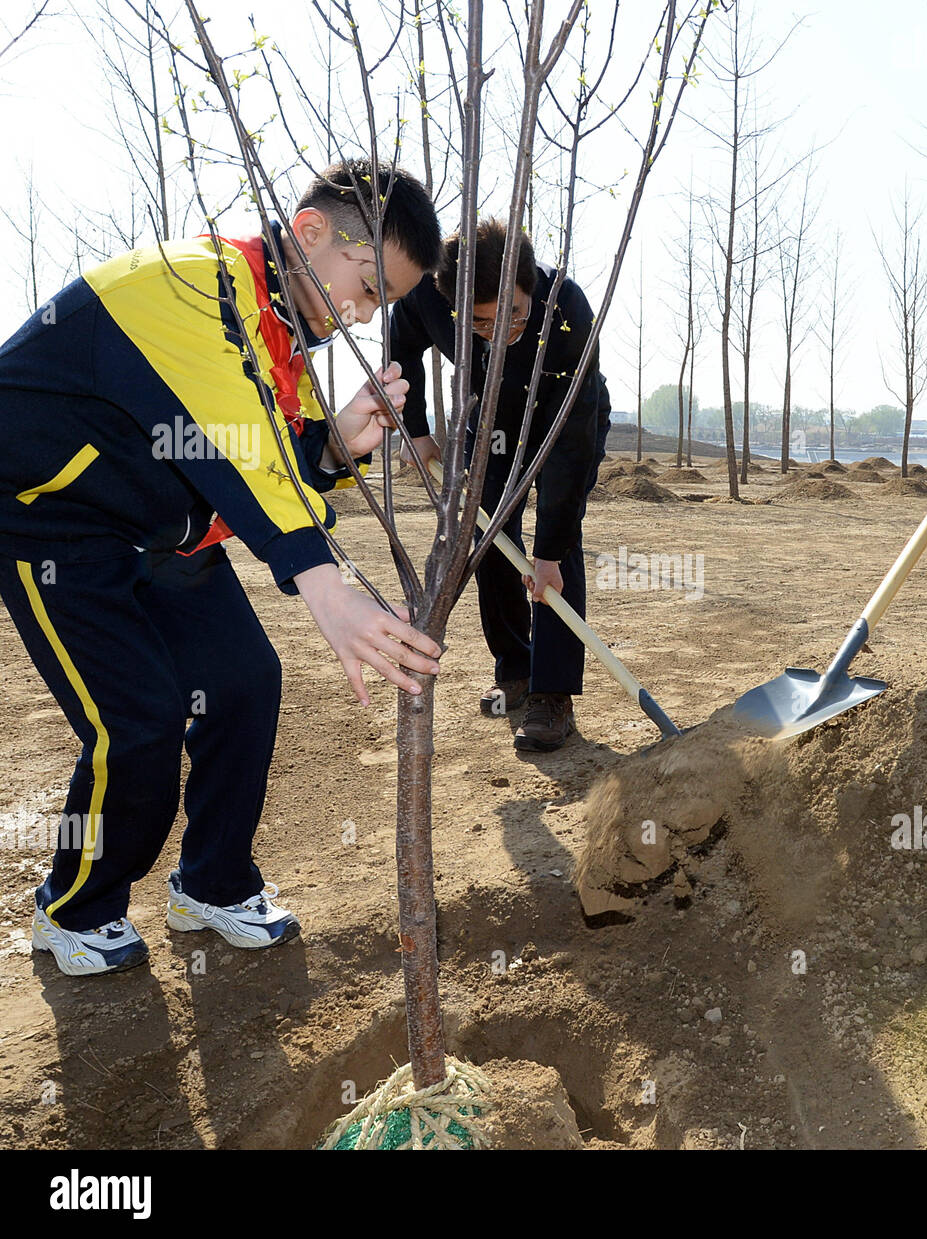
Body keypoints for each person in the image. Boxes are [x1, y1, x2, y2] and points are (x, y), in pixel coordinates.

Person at [0, 159, 444, 976]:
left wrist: (338, 442)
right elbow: (233, 447)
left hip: (166, 534)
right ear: (310, 232)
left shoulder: (279, 333)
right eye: (368, 286)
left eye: (382, 303)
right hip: (53, 523)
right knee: (135, 721)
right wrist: (320, 577)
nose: (362, 314)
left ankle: (212, 881)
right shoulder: (190, 285)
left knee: (244, 682)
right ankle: (74, 907)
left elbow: (279, 451)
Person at [391, 219, 611, 753]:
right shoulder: (431, 293)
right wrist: (416, 429)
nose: (502, 330)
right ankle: (515, 669)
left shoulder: (566, 310)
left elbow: (573, 442)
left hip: (563, 418)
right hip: (489, 424)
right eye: (482, 323)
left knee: (553, 555)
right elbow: (402, 346)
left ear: (529, 285)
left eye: (512, 313)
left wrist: (551, 551)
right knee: (490, 538)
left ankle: (552, 691)